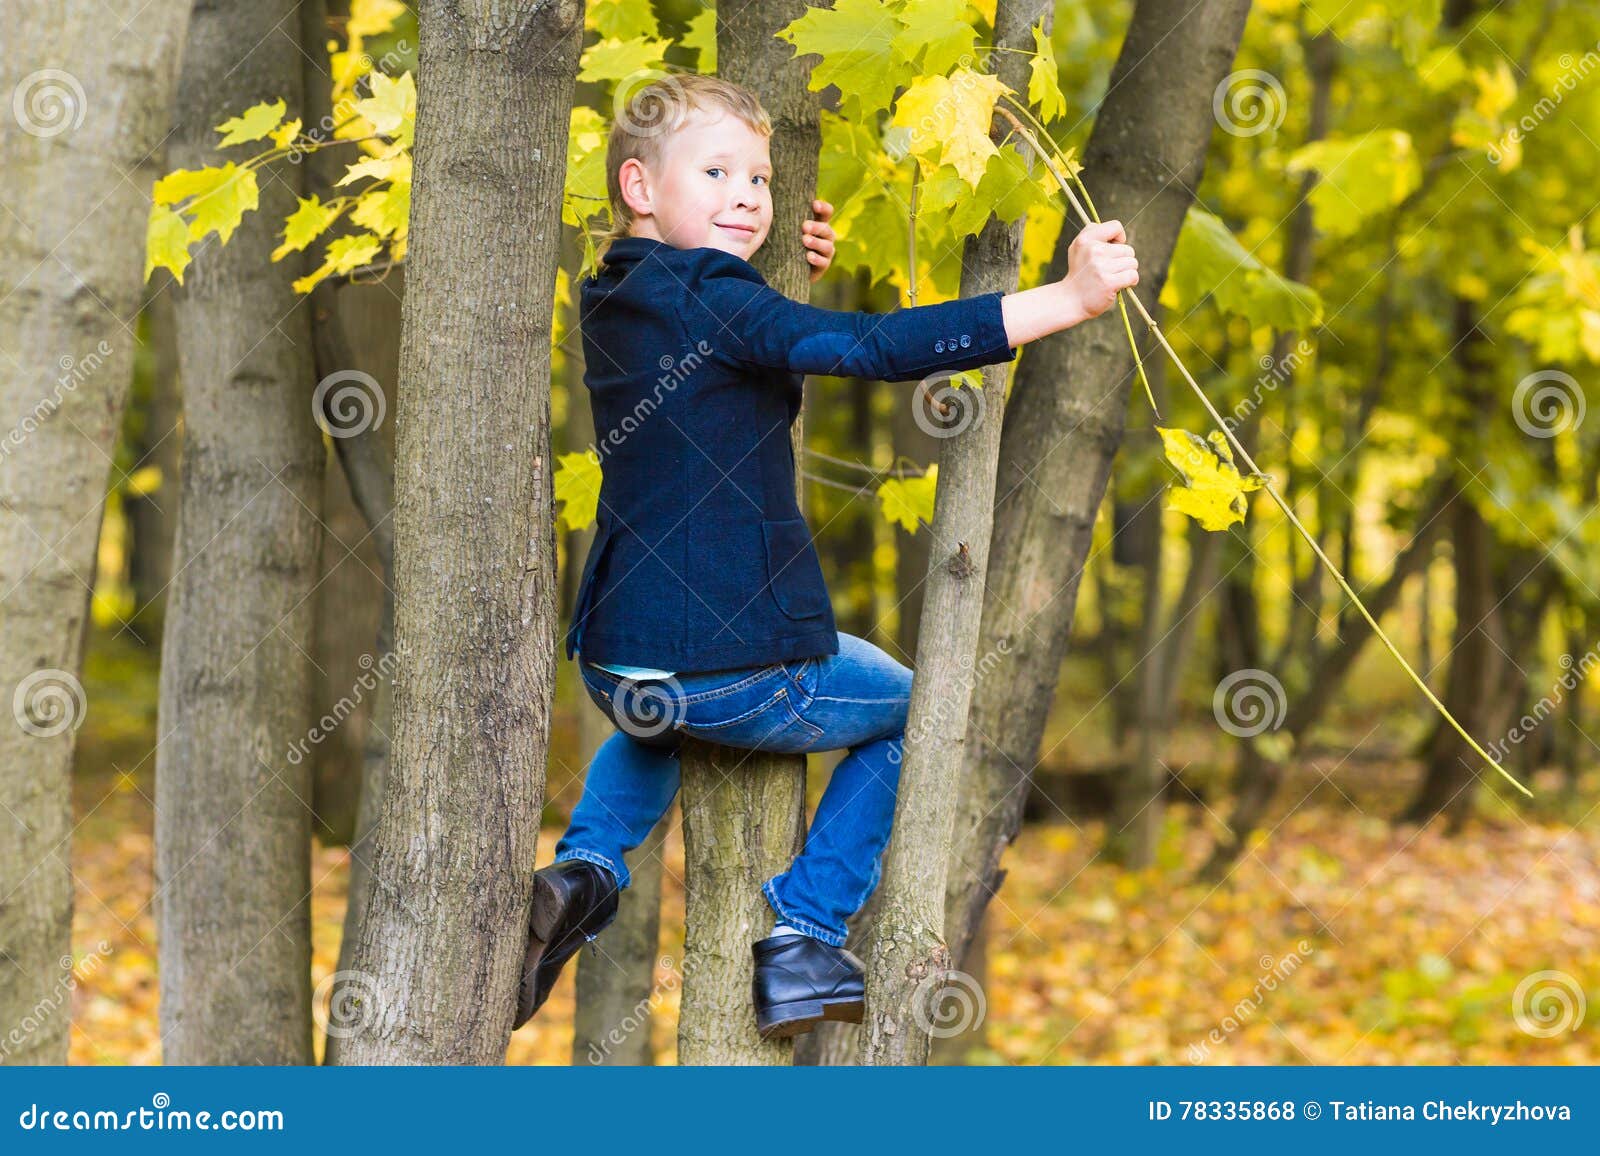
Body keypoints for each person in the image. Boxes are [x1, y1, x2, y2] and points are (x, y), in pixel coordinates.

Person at [517, 74, 1139, 1040]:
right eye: (717, 172)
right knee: (925, 708)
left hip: (623, 663)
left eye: (759, 179)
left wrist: (763, 263)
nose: (746, 196)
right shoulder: (716, 294)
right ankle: (806, 934)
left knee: (664, 719)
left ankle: (584, 873)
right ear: (640, 185)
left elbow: (734, 349)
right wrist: (1064, 299)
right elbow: (871, 347)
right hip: (731, 666)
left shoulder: (616, 291)